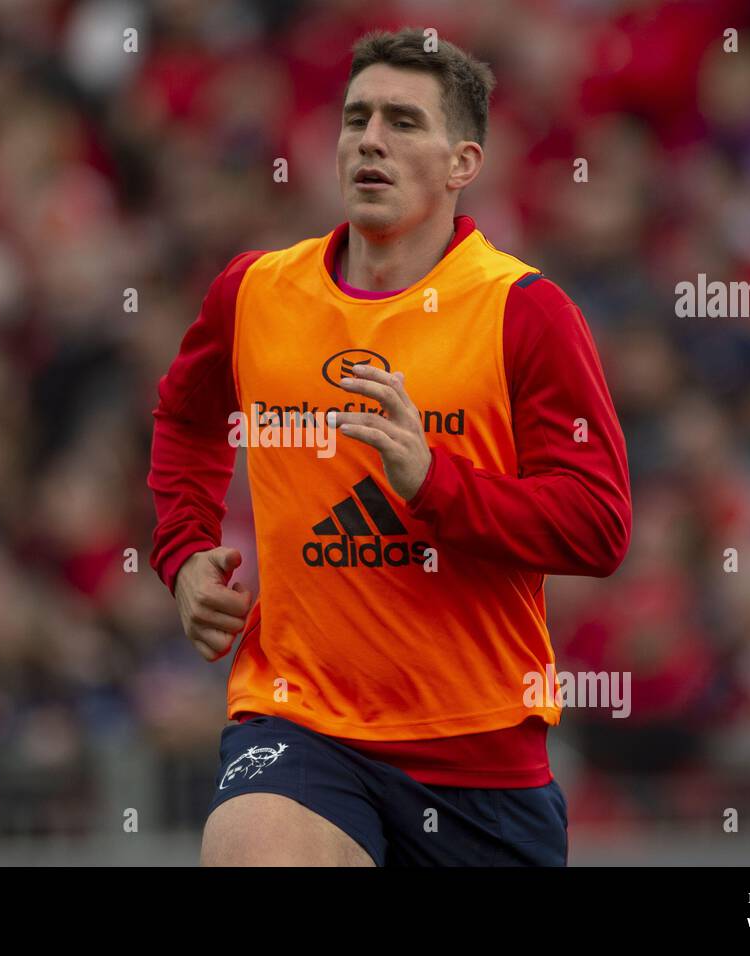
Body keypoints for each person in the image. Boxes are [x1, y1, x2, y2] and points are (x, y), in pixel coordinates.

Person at [148, 27, 631, 866]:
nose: (370, 138)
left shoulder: (525, 311)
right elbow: (186, 419)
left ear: (463, 163)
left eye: (403, 122)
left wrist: (435, 483)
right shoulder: (254, 292)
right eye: (356, 118)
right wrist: (185, 550)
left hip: (478, 754)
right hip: (299, 721)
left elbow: (599, 526)